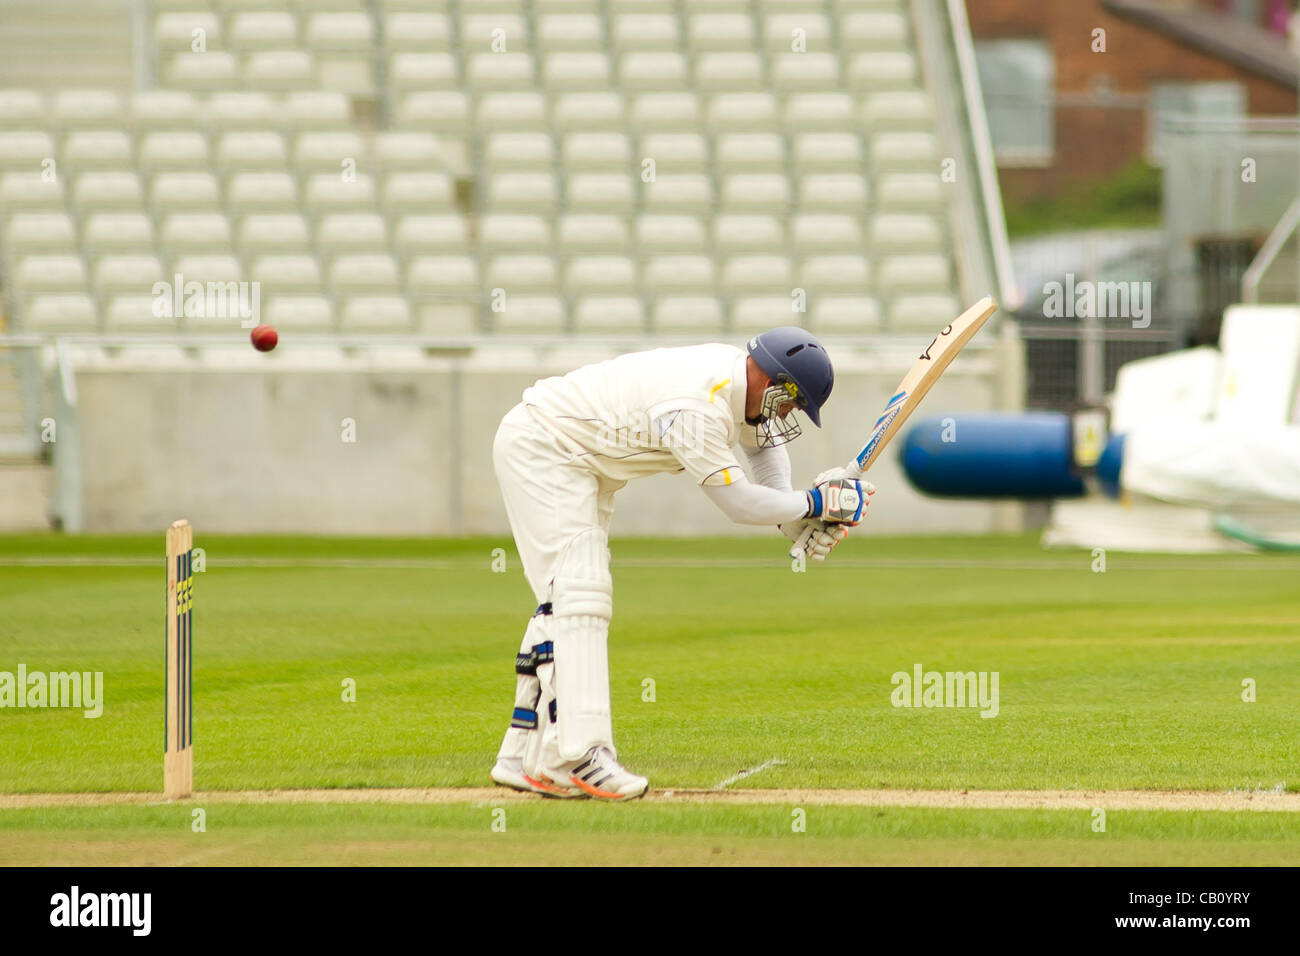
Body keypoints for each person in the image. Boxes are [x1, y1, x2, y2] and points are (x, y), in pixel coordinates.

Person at [488, 327, 872, 800]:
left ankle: (520, 751)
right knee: (577, 592)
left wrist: (798, 518)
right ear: (775, 380)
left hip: (587, 465)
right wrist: (814, 503)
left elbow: (766, 467)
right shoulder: (696, 405)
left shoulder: (740, 387)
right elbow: (738, 504)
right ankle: (574, 756)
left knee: (567, 595)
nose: (789, 414)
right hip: (547, 447)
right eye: (792, 402)